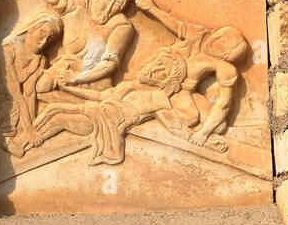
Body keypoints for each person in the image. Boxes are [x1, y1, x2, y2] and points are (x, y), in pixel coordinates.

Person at [23, 48, 188, 166]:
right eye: (157, 63)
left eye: (162, 70)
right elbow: (101, 97)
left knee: (57, 115)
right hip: (98, 111)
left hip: (104, 122)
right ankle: (27, 137)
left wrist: (201, 136)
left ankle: (29, 142)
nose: (154, 68)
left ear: (167, 81)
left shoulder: (158, 96)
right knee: (53, 108)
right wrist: (68, 87)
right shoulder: (129, 85)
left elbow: (174, 126)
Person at [133, 0, 249, 152]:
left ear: (228, 55)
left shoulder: (225, 68)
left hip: (180, 93)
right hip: (154, 75)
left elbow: (224, 104)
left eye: (223, 43)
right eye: (218, 35)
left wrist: (203, 133)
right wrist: (151, 7)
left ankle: (174, 122)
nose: (215, 40)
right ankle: (158, 112)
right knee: (188, 116)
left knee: (220, 126)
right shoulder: (198, 35)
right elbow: (176, 25)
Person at [37, 0, 137, 100]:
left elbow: (109, 65)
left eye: (118, 4)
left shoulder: (121, 26)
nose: (109, 7)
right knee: (41, 87)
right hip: (64, 70)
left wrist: (75, 78)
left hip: (93, 81)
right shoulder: (77, 6)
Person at [0, 9, 62, 154]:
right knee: (12, 107)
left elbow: (29, 95)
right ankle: (5, 138)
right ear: (32, 27)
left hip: (18, 100)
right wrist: (29, 130)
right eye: (42, 34)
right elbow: (14, 93)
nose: (43, 42)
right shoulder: (7, 48)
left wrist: (31, 127)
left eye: (49, 39)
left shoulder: (40, 59)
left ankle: (18, 139)